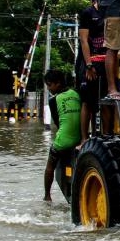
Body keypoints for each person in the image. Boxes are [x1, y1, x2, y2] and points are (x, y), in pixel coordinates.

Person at [43, 70, 82, 202]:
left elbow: (58, 122)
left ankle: (47, 196)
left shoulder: (53, 100)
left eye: (49, 85)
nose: (48, 88)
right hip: (81, 139)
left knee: (50, 166)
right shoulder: (77, 93)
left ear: (58, 84)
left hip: (63, 141)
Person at [76, 0, 107, 140]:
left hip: (105, 62)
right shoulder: (88, 13)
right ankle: (84, 138)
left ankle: (104, 136)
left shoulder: (108, 14)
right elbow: (83, 40)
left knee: (105, 100)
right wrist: (89, 65)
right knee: (87, 102)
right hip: (89, 62)